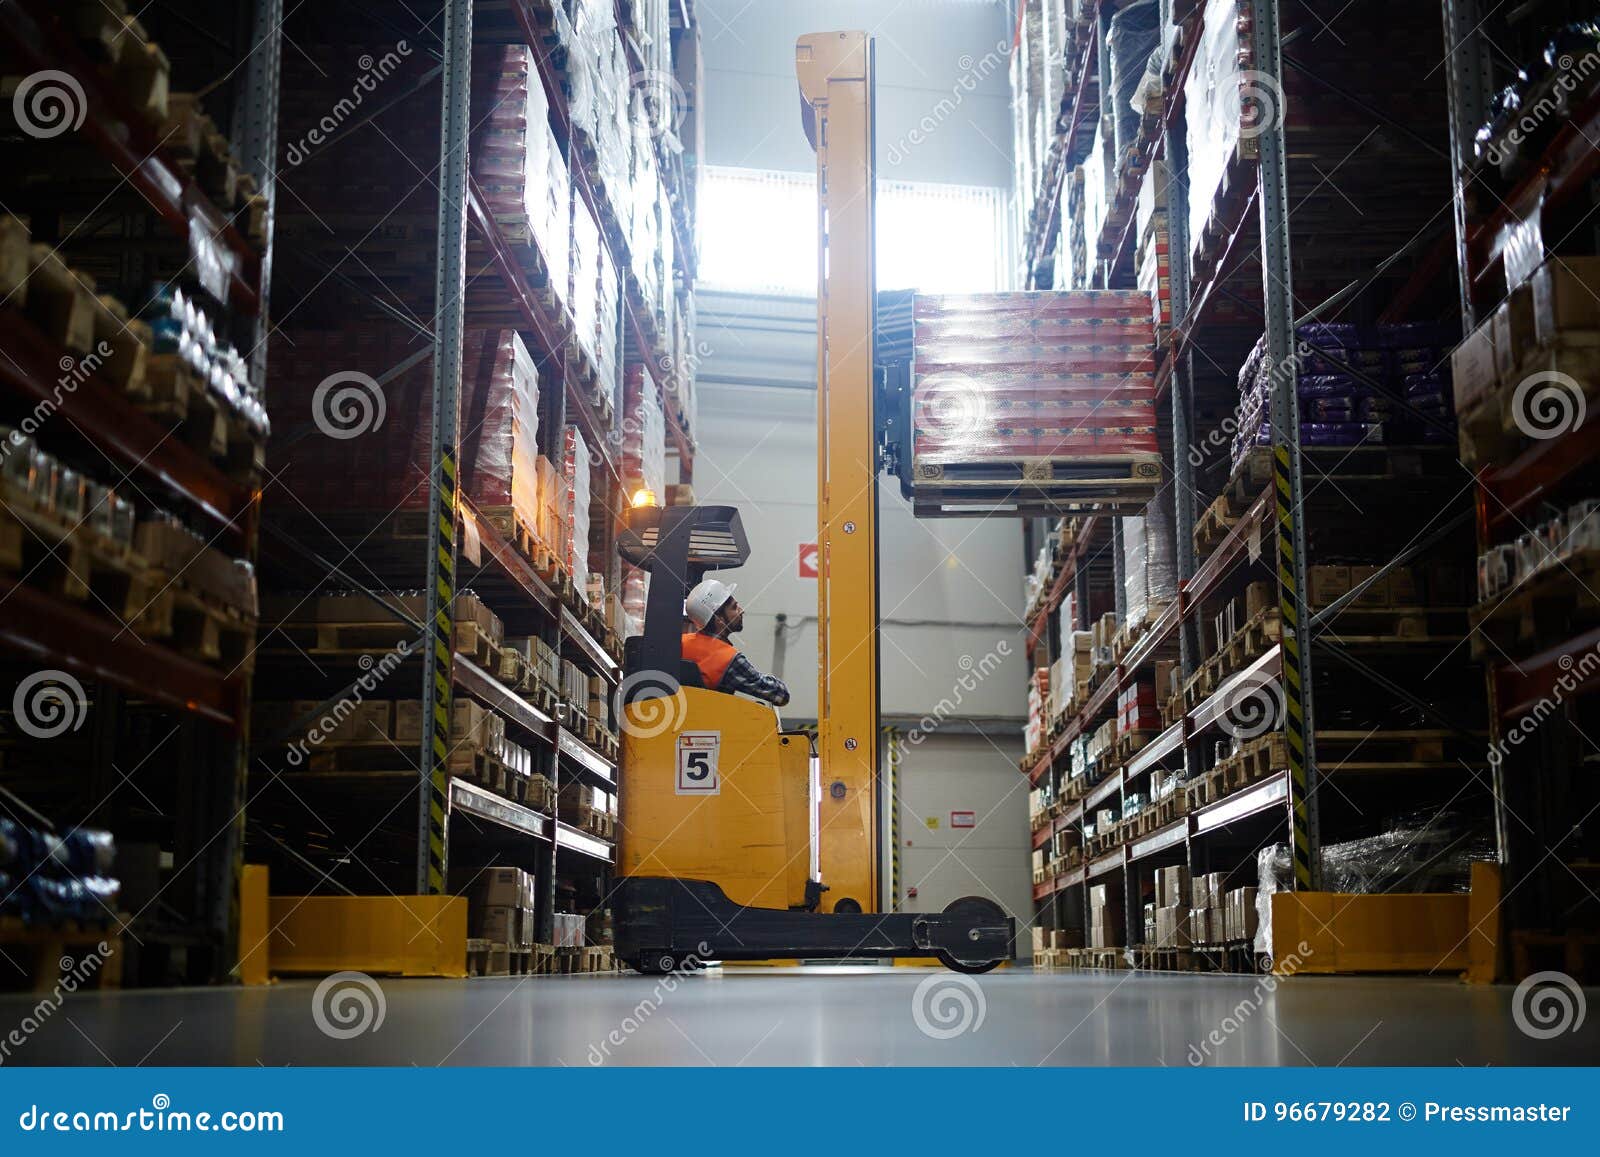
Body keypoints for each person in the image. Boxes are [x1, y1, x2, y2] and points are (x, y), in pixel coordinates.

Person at [681, 578, 791, 706]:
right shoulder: (727, 659)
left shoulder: (681, 643)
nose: (741, 610)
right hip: (713, 721)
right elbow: (780, 695)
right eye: (734, 607)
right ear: (719, 620)